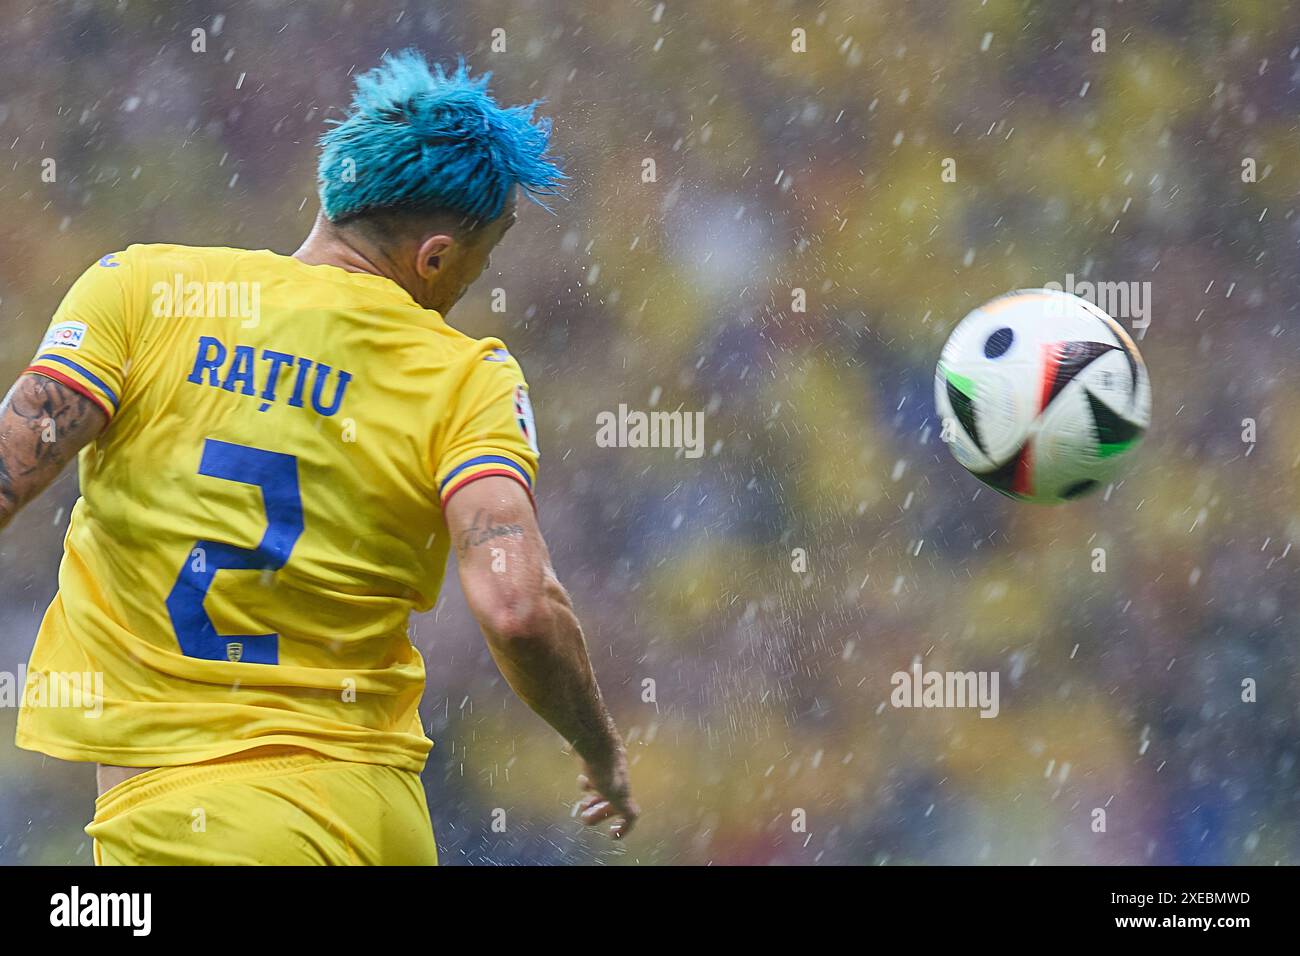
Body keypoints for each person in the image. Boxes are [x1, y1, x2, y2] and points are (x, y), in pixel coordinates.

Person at [0, 51, 637, 865]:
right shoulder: (469, 377)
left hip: (194, 823)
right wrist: (597, 749)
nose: (482, 275)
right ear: (435, 256)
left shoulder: (142, 291)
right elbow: (517, 607)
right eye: (490, 250)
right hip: (380, 816)